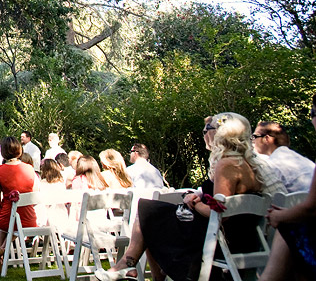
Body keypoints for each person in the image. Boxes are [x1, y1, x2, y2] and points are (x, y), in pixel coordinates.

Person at [94, 112, 284, 281]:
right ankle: (128, 265)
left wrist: (193, 203)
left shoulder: (227, 164)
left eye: (208, 129)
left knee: (149, 212)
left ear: (222, 133)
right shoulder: (251, 164)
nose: (205, 134)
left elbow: (218, 212)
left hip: (220, 239)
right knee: (153, 213)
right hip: (245, 237)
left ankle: (129, 265)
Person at [260, 98, 316, 281]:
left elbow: (311, 208)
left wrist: (278, 216)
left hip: (307, 222)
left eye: (312, 114)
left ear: (267, 139)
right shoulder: (298, 158)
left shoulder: (271, 163)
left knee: (286, 229)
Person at [0, 135, 38, 267]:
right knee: (12, 223)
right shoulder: (30, 168)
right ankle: (0, 252)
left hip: (8, 218)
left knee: (3, 224)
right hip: (29, 218)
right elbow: (35, 195)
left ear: (3, 151)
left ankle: (0, 253)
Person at [253, 120, 315, 193]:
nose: (252, 140)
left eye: (255, 136)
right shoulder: (301, 160)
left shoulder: (271, 165)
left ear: (266, 139)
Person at [36, 158, 68, 229]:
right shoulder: (61, 182)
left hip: (47, 217)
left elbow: (41, 200)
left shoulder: (42, 183)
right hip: (61, 215)